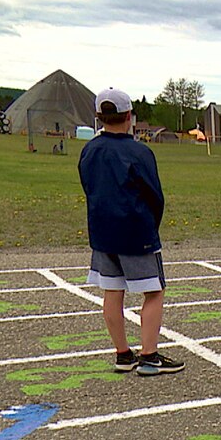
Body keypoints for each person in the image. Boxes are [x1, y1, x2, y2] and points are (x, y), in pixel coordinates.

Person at [78, 87, 183, 376]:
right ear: (129, 116)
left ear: (100, 117)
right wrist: (150, 226)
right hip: (136, 233)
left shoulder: (89, 150)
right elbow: (154, 195)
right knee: (154, 291)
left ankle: (123, 354)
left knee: (112, 291)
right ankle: (149, 356)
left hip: (102, 233)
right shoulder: (139, 151)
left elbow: (88, 186)